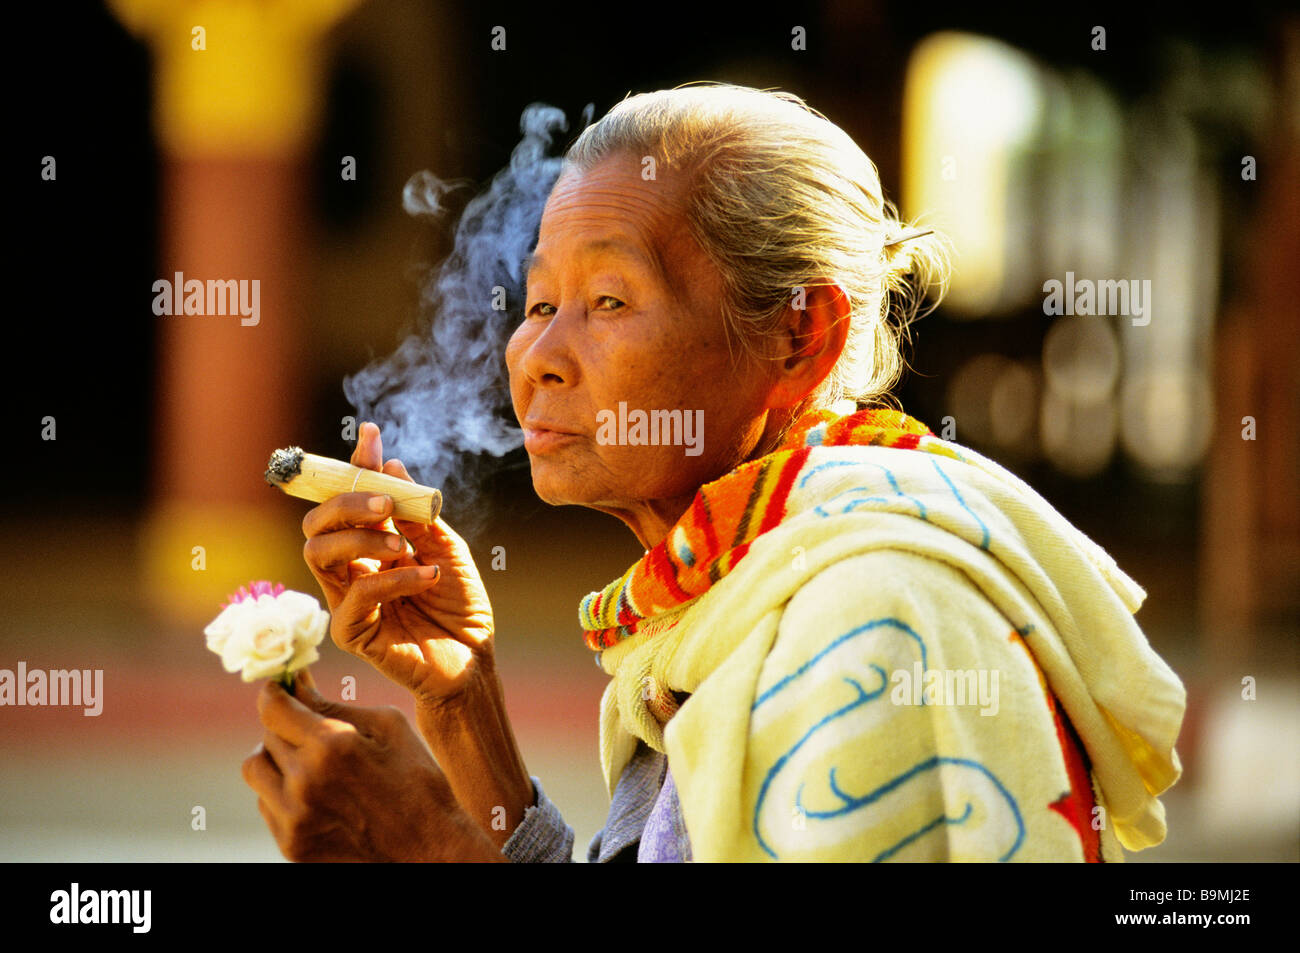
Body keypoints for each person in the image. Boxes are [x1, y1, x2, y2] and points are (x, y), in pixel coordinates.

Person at [241, 84, 1186, 862]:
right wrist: (463, 704)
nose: (537, 356)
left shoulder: (871, 619)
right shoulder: (725, 603)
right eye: (538, 301)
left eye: (609, 299)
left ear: (800, 334)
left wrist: (434, 850)